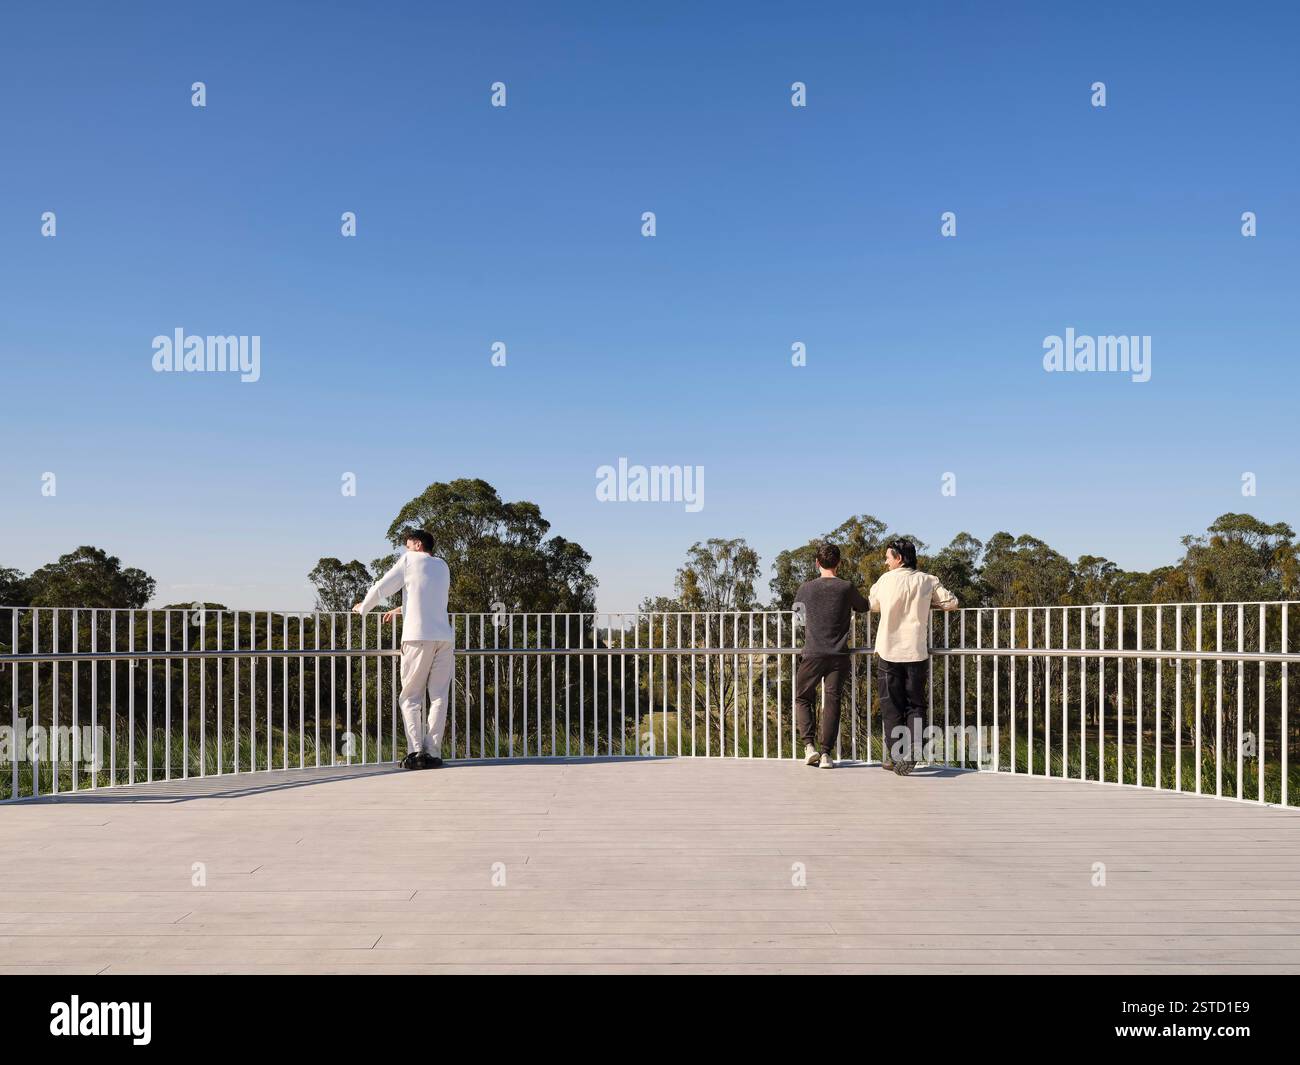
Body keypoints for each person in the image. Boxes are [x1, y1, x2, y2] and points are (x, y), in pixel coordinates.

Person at [353, 528, 453, 770]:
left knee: (410, 697)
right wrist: (401, 609)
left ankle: (416, 752)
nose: (406, 549)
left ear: (417, 544)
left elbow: (382, 587)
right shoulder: (442, 566)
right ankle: (434, 752)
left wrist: (363, 608)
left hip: (417, 638)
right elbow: (428, 596)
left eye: (408, 545)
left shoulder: (409, 560)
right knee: (438, 696)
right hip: (444, 637)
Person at [868, 538, 959, 775]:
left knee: (891, 706)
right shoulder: (927, 580)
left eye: (888, 557)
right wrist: (928, 604)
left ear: (898, 558)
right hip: (915, 651)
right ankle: (914, 749)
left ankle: (896, 756)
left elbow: (873, 605)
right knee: (915, 704)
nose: (885, 562)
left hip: (888, 650)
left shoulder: (884, 581)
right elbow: (951, 603)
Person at [793, 542, 871, 769]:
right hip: (838, 654)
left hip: (813, 652)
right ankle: (826, 754)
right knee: (832, 700)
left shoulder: (805, 588)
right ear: (839, 563)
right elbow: (864, 606)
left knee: (803, 697)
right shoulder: (846, 587)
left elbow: (798, 617)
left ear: (817, 563)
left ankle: (809, 747)